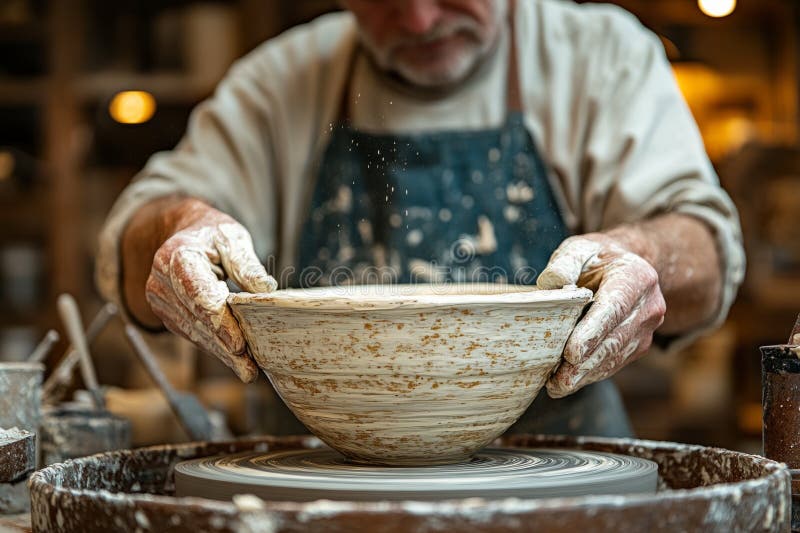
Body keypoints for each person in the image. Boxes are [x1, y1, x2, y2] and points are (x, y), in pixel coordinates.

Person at [97, 0, 744, 437]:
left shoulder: (600, 56)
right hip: (318, 490)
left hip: (553, 484)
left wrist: (647, 255)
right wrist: (177, 228)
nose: (418, 17)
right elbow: (135, 239)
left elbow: (705, 250)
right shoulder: (282, 81)